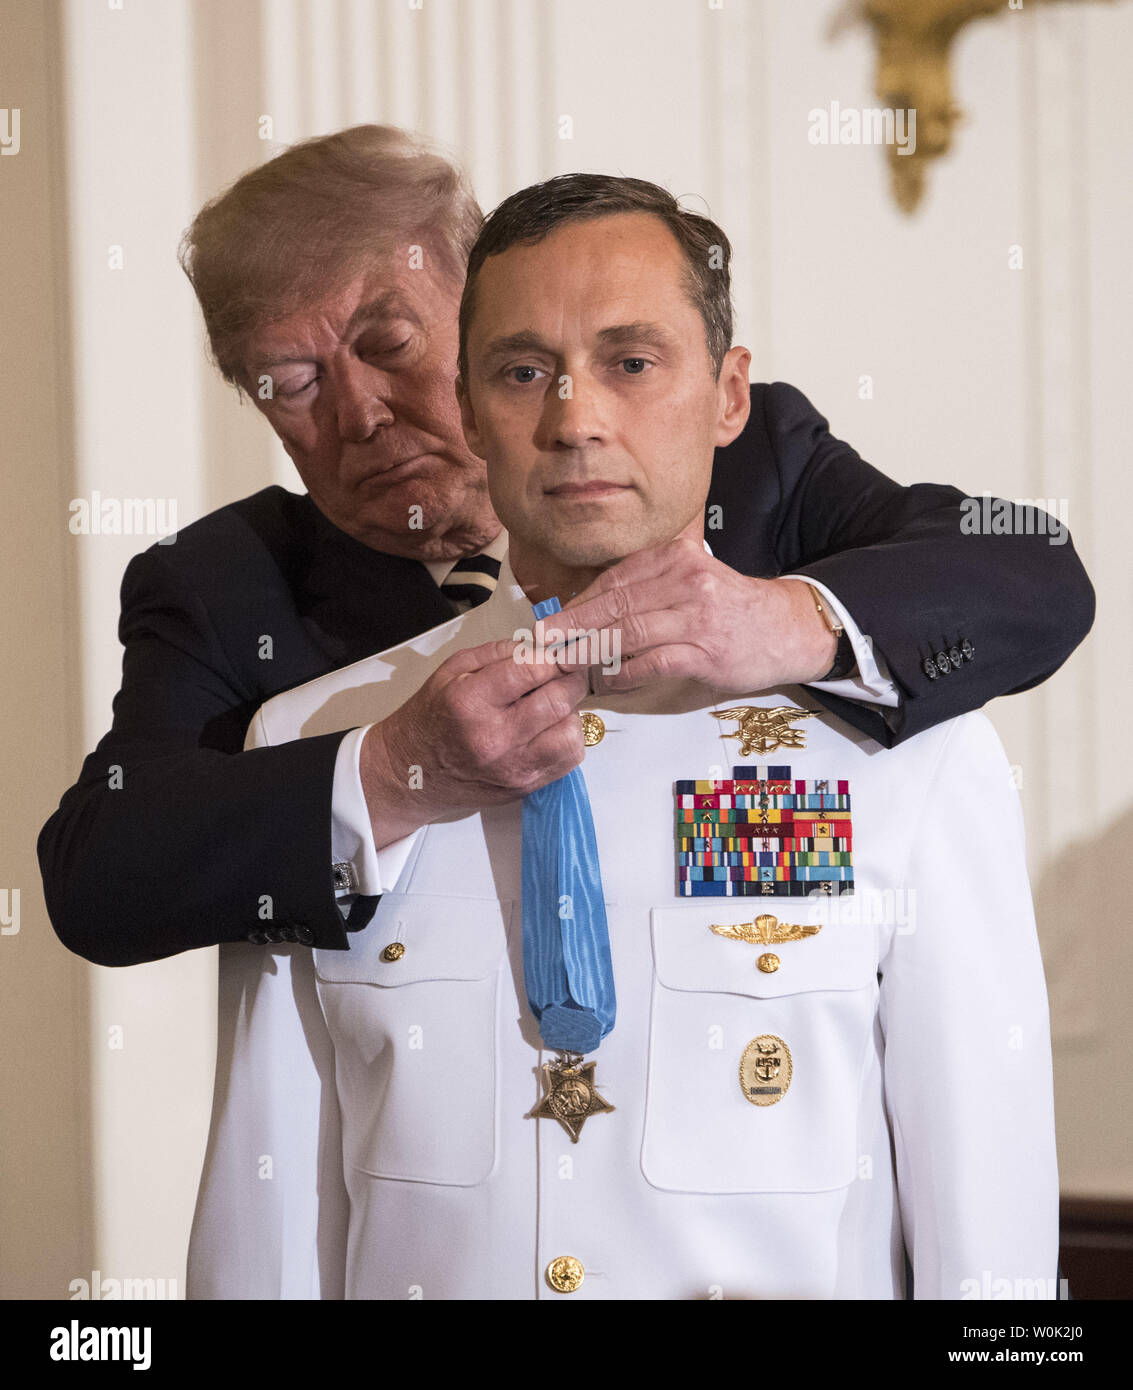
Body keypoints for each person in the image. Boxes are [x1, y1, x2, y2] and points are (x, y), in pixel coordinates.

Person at [188, 173, 1059, 1300]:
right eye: (519, 371)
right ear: (464, 404)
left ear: (728, 395)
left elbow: (983, 1240)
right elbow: (266, 1231)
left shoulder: (911, 761)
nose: (573, 417)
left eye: (630, 363)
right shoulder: (317, 749)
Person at [37, 123, 1093, 973]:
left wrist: (779, 618)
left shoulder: (737, 459)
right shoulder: (227, 586)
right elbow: (101, 875)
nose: (360, 414)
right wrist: (396, 770)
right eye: (294, 384)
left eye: (389, 346)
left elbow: (1028, 572)